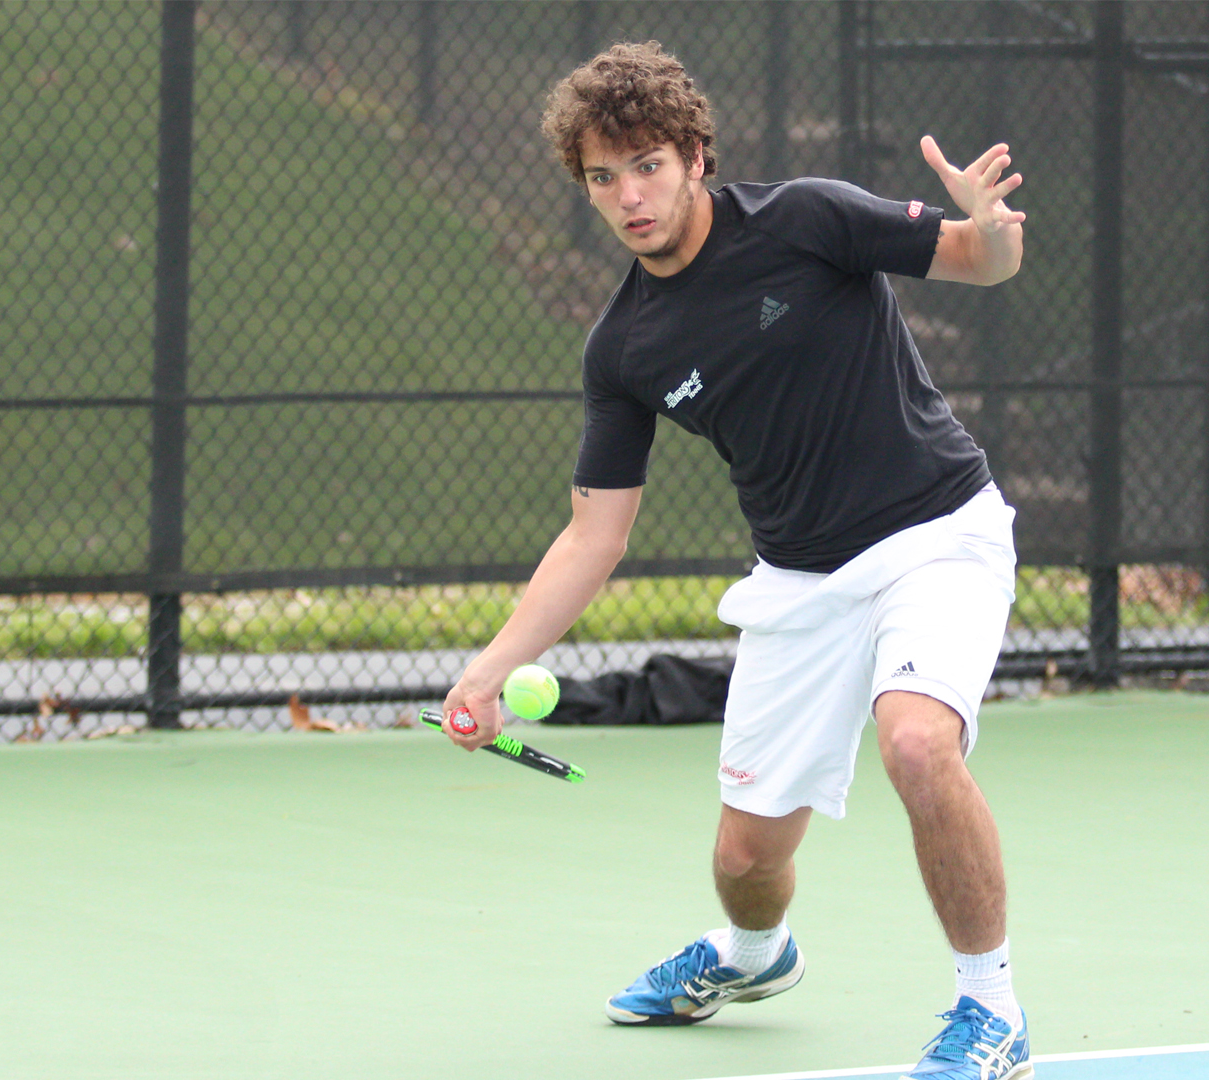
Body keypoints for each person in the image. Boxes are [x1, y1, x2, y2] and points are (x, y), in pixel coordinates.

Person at [440, 41, 1032, 1080]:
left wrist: (987, 225)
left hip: (936, 533)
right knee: (747, 863)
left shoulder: (808, 219)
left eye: (648, 165)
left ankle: (992, 1012)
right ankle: (755, 957)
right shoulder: (623, 349)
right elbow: (595, 532)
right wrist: (487, 667)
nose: (630, 195)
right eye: (602, 177)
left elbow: (982, 263)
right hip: (800, 584)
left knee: (917, 745)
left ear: (696, 154)